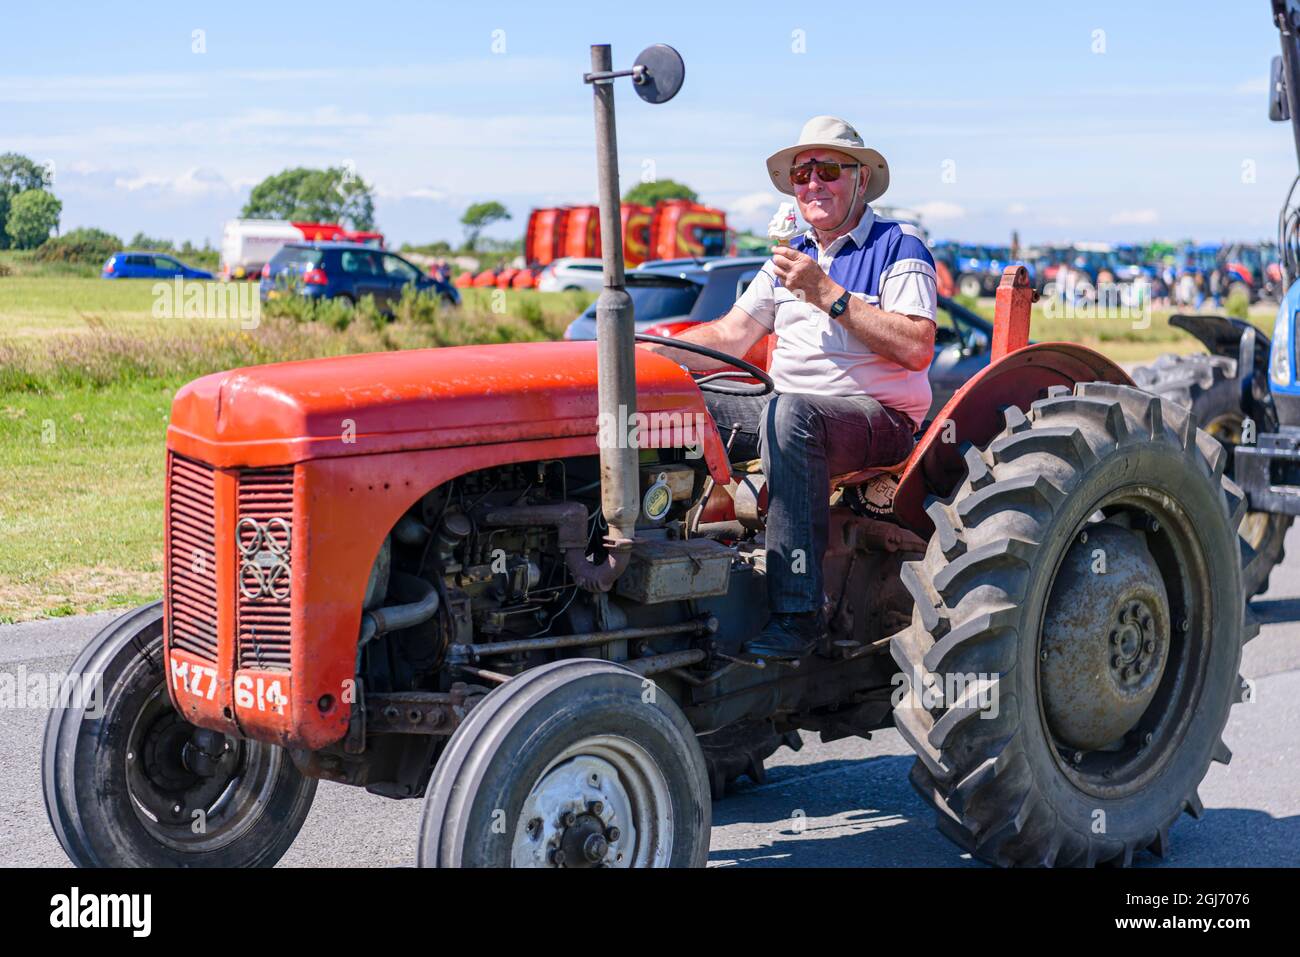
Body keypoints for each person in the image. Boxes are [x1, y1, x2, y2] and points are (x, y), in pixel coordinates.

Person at [641, 116, 937, 660]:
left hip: (878, 419)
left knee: (789, 414)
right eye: (802, 174)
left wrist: (827, 292)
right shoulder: (788, 256)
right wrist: (645, 357)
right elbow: (730, 335)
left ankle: (800, 615)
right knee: (672, 403)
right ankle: (656, 564)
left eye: (827, 169)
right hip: (792, 413)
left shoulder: (900, 244)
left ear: (861, 180)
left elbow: (917, 346)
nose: (812, 184)